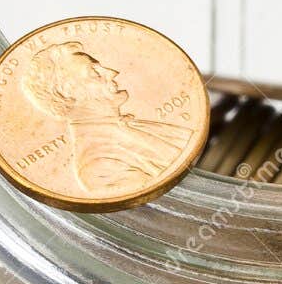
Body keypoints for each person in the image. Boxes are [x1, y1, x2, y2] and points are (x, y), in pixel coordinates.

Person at [21, 41, 191, 193]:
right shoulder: (98, 168)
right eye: (94, 71)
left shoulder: (133, 125)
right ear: (69, 91)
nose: (113, 72)